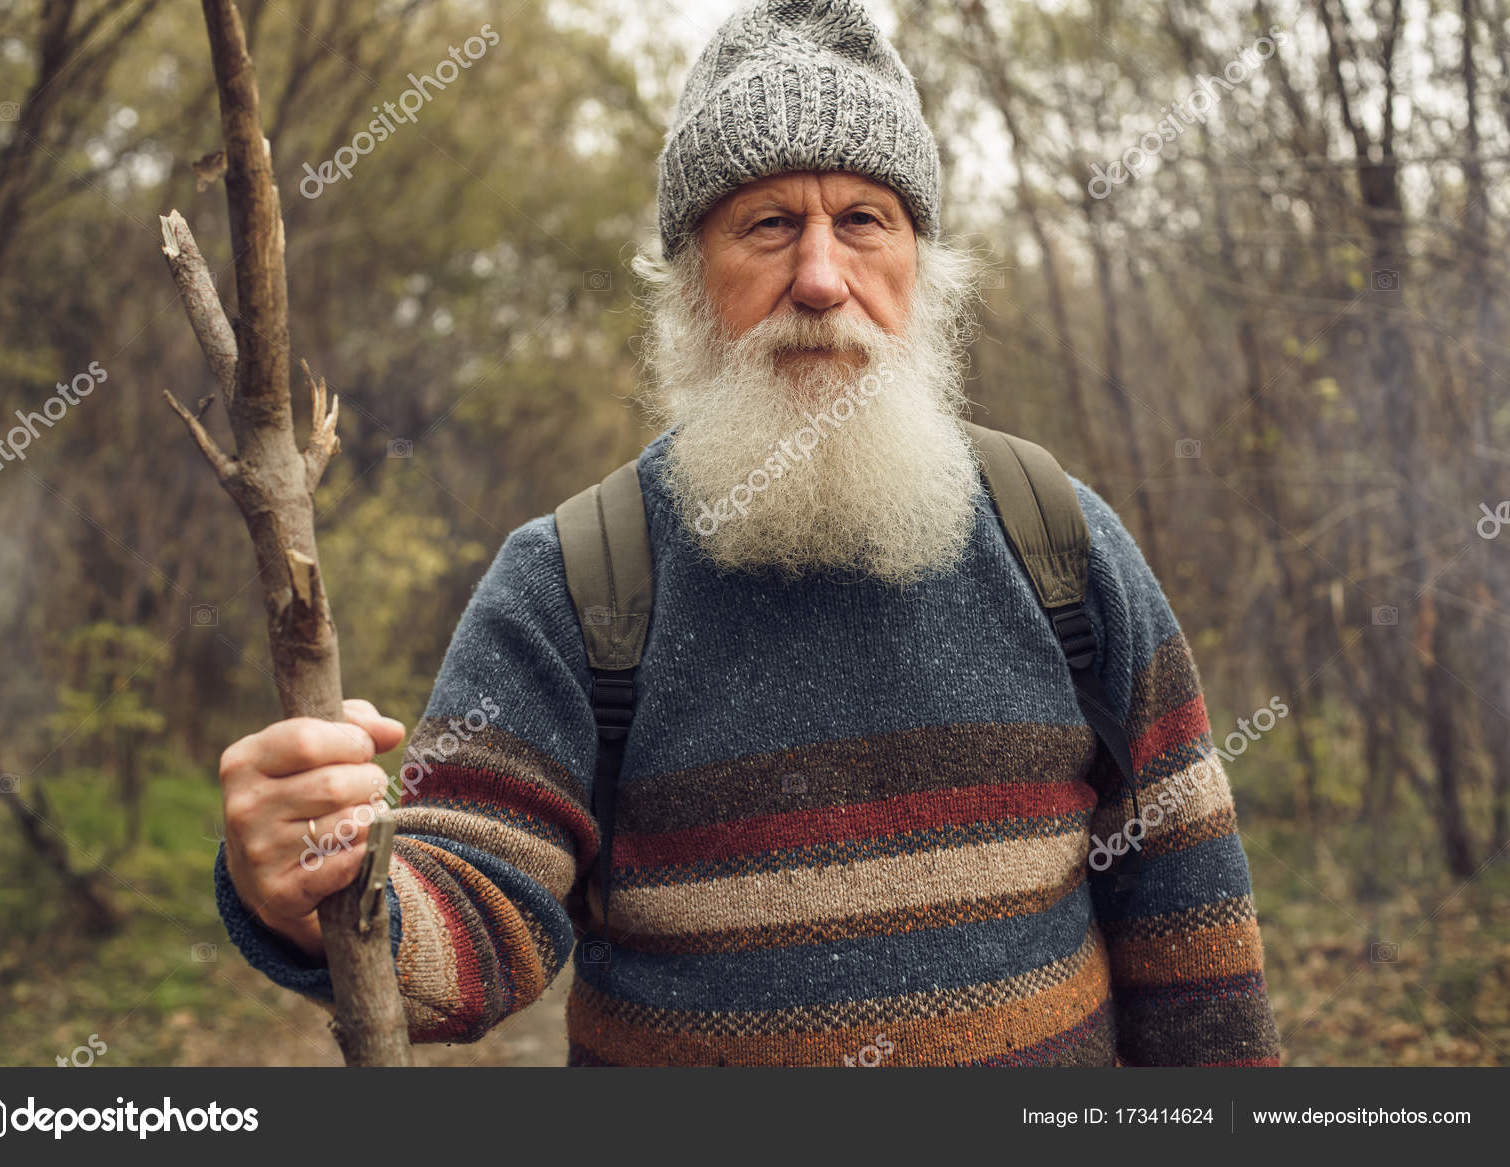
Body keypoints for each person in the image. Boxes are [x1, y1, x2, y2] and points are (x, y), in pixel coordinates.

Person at [214, 0, 1280, 1066]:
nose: (821, 280)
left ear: (923, 269)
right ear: (689, 284)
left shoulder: (1058, 540)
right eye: (767, 225)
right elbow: (472, 918)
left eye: (865, 220)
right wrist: (317, 881)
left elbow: (1188, 919)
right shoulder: (576, 581)